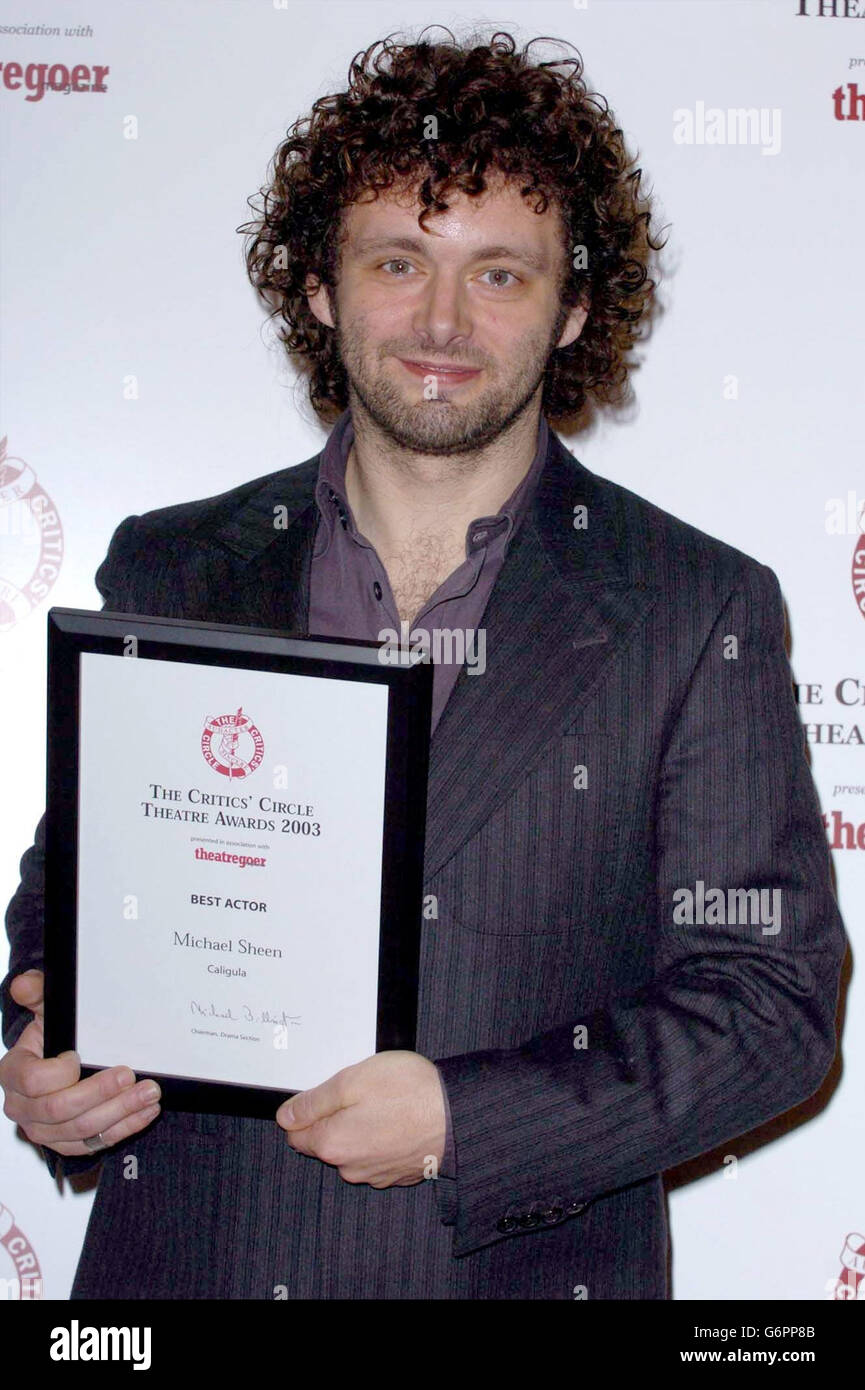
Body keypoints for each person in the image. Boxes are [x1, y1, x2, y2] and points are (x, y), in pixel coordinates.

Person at [0, 29, 846, 1300]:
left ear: (570, 310)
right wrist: (40, 1049)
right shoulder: (173, 565)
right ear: (323, 287)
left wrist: (468, 1121)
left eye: (499, 273)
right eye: (399, 261)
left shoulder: (694, 604)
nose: (442, 320)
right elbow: (69, 904)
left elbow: (769, 1006)